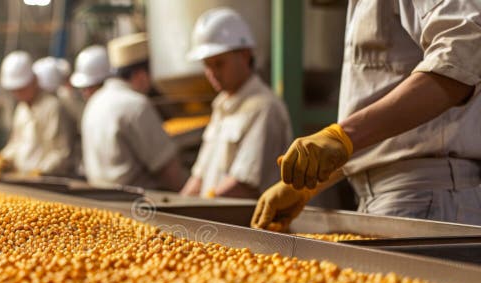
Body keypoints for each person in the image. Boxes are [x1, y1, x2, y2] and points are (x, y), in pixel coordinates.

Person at [252, 1, 481, 230]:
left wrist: (343, 136)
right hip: (396, 198)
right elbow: (382, 112)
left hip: (424, 196)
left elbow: (461, 56)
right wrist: (307, 186)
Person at [179, 8, 292, 199]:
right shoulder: (222, 105)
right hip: (212, 221)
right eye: (207, 65)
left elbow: (244, 185)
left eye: (219, 63)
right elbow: (198, 178)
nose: (212, 72)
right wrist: (174, 209)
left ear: (245, 55)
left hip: (244, 226)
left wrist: (196, 210)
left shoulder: (264, 108)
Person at [80, 33, 187, 190]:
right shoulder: (136, 105)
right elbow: (168, 169)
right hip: (137, 204)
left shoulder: (94, 102)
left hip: (100, 200)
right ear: (141, 75)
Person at [0, 50, 75, 179]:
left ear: (34, 80)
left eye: (22, 89)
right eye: (15, 91)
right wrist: (4, 157)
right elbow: (16, 143)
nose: (18, 94)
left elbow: (61, 152)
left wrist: (41, 171)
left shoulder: (52, 107)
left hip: (48, 182)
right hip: (23, 179)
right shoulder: (21, 109)